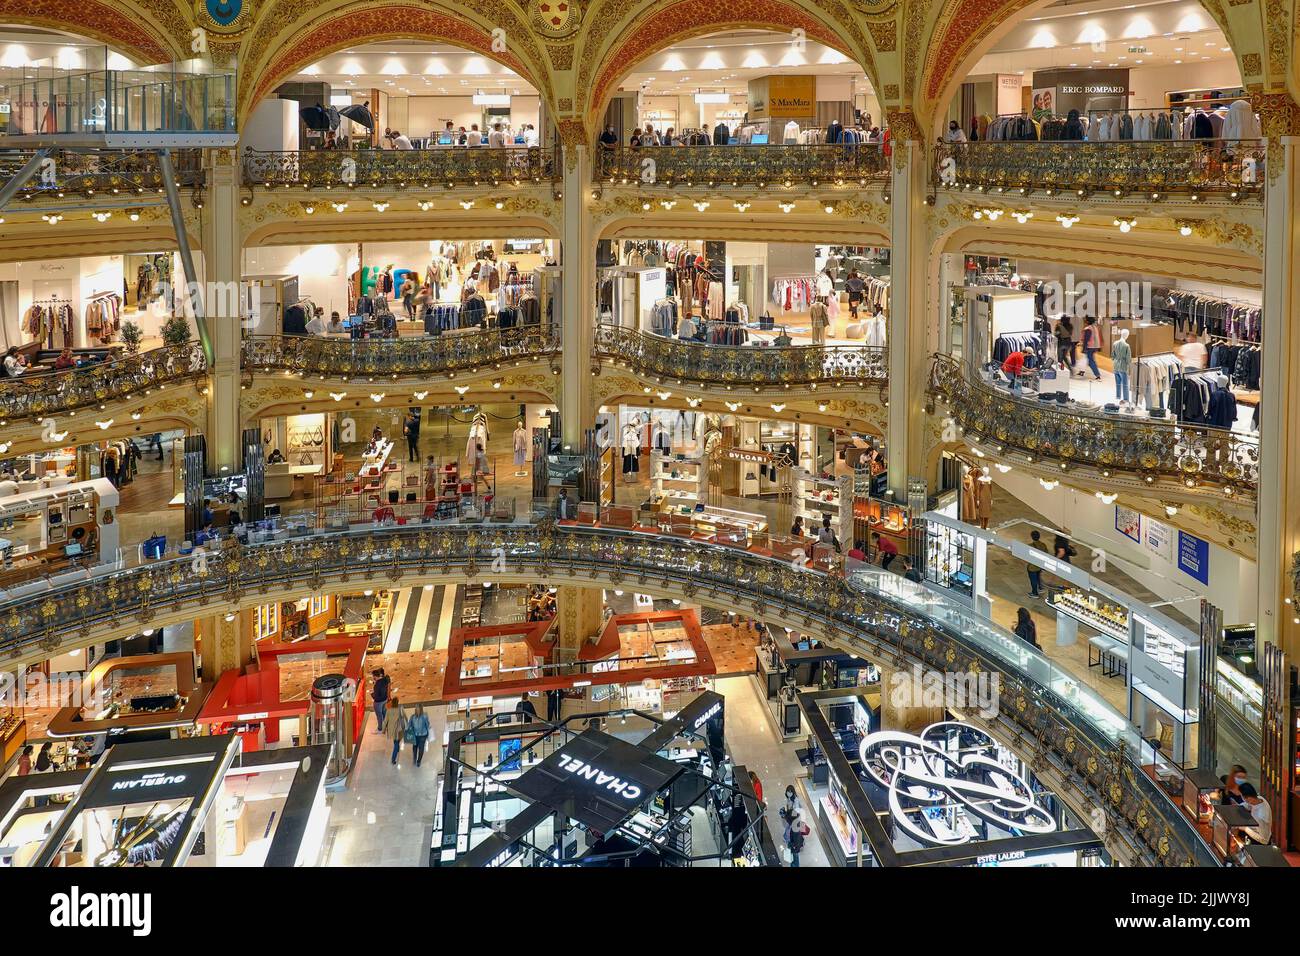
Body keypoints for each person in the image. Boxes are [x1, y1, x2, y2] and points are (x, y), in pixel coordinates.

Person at [383, 698, 407, 765]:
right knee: (397, 743)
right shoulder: (401, 709)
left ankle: (396, 750)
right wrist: (407, 724)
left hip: (393, 730)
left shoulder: (389, 711)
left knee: (395, 742)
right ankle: (394, 757)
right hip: (400, 730)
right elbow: (405, 717)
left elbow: (385, 721)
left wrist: (383, 729)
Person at [407, 703, 431, 767]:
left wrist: (428, 733)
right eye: (416, 708)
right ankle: (414, 758)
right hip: (415, 735)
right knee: (414, 748)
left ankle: (419, 761)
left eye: (418, 708)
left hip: (423, 735)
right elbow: (409, 725)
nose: (416, 709)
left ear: (421, 709)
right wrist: (408, 728)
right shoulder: (412, 717)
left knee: (421, 748)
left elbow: (428, 725)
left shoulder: (424, 716)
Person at [1028, 529, 1049, 597]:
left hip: (1032, 566)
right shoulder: (1043, 545)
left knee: (1033, 580)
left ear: (1032, 537)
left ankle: (1035, 593)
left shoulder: (1030, 545)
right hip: (1040, 565)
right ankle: (1040, 588)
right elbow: (1046, 554)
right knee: (1038, 577)